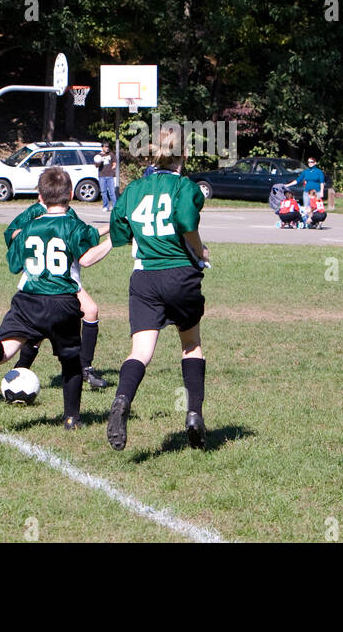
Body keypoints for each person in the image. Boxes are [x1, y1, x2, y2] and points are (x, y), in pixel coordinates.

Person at [0, 168, 113, 429]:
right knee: (70, 362)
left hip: (27, 300)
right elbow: (87, 258)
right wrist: (114, 239)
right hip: (61, 301)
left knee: (3, 355)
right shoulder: (72, 224)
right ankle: (71, 418)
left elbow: (14, 263)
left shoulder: (29, 225)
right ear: (70, 194)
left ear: (40, 197)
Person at [106, 129, 210, 451]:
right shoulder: (185, 186)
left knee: (140, 352)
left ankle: (122, 400)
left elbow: (120, 230)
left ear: (152, 156)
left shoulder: (134, 188)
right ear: (185, 156)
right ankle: (193, 413)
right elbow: (186, 222)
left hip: (144, 278)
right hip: (179, 274)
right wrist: (201, 251)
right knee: (191, 344)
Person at [3, 196, 111, 389]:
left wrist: (111, 226)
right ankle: (23, 369)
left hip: (65, 276)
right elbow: (11, 233)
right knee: (44, 327)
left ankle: (84, 367)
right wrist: (37, 230)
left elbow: (85, 235)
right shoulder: (35, 212)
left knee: (88, 311)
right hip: (47, 278)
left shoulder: (67, 212)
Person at [94, 141, 119, 211]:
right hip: (102, 175)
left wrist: (113, 167)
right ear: (102, 148)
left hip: (110, 175)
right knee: (103, 192)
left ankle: (115, 206)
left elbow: (114, 162)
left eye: (108, 147)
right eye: (105, 147)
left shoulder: (111, 154)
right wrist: (99, 162)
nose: (107, 148)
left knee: (112, 192)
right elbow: (96, 166)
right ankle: (106, 206)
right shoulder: (98, 156)